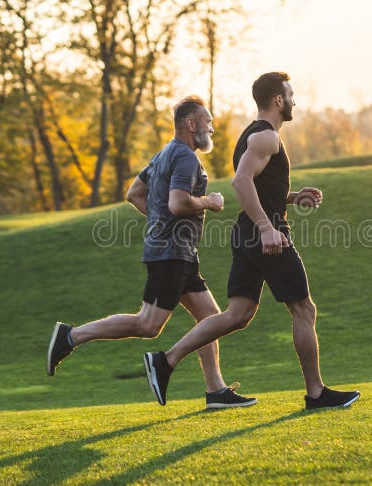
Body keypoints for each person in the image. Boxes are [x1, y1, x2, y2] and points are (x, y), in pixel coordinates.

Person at [144, 73, 360, 410]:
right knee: (304, 309)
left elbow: (258, 187)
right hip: (265, 235)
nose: (294, 100)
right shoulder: (267, 137)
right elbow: (241, 182)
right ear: (278, 100)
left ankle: (166, 361)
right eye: (290, 94)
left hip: (248, 233)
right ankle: (316, 393)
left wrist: (292, 197)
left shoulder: (251, 135)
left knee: (238, 314)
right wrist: (266, 228)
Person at [47, 96, 257, 410]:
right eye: (207, 122)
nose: (211, 128)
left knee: (210, 320)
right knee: (148, 324)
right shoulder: (185, 157)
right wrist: (209, 202)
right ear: (191, 124)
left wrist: (160, 222)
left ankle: (216, 390)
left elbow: (134, 194)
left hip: (179, 253)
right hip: (171, 254)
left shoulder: (162, 155)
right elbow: (178, 203)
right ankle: (72, 336)